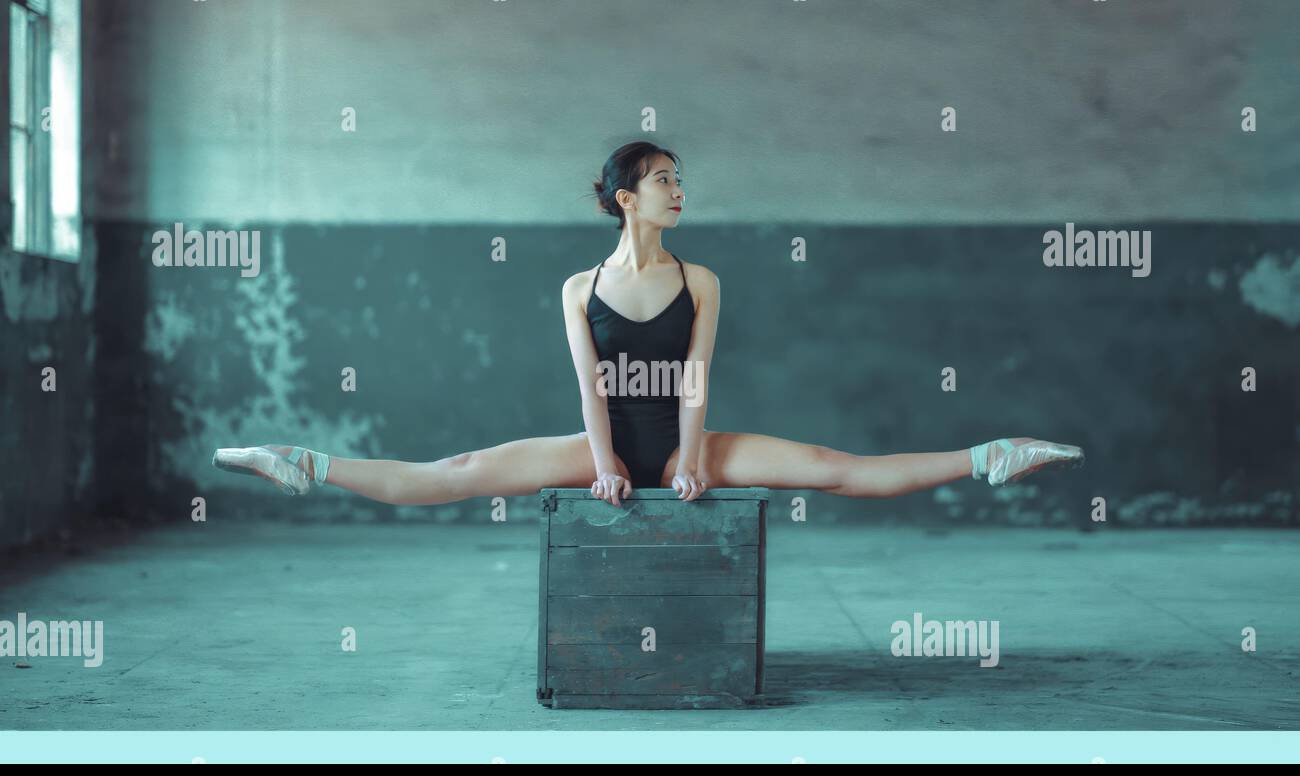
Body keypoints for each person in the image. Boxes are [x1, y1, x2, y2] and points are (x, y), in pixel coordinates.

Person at [213, 141, 1084, 507]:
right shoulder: (575, 287)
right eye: (665, 177)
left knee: (830, 467)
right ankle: (306, 462)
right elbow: (591, 390)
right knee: (461, 469)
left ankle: (989, 455)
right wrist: (600, 468)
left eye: (680, 176)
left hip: (677, 442)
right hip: (608, 439)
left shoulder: (701, 278)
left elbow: (696, 382)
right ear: (627, 197)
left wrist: (692, 462)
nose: (679, 187)